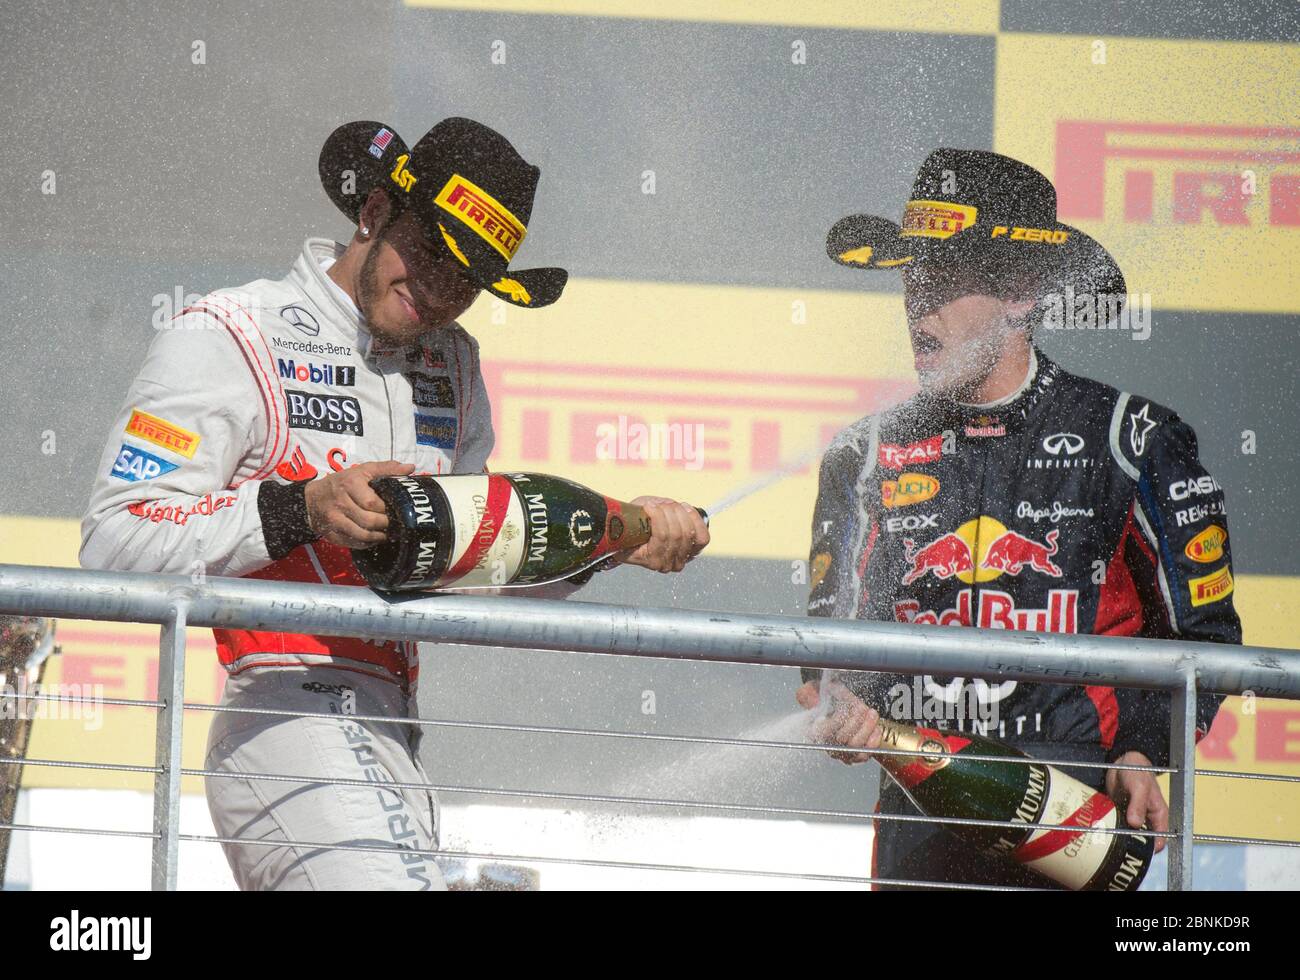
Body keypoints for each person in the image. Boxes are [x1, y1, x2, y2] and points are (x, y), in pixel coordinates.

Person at [80, 117, 709, 890]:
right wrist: (299, 510)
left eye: (469, 278)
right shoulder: (230, 331)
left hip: (395, 729)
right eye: (433, 254)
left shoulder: (454, 364)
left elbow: (473, 562)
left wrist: (617, 537)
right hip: (284, 714)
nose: (443, 293)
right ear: (375, 212)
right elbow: (115, 540)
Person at [796, 148, 1241, 890]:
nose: (918, 300)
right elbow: (826, 657)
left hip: (1077, 830)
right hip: (919, 833)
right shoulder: (861, 455)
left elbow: (1209, 641)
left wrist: (1140, 751)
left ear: (1022, 291)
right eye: (912, 272)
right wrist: (844, 714)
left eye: (944, 276)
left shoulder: (1133, 440)